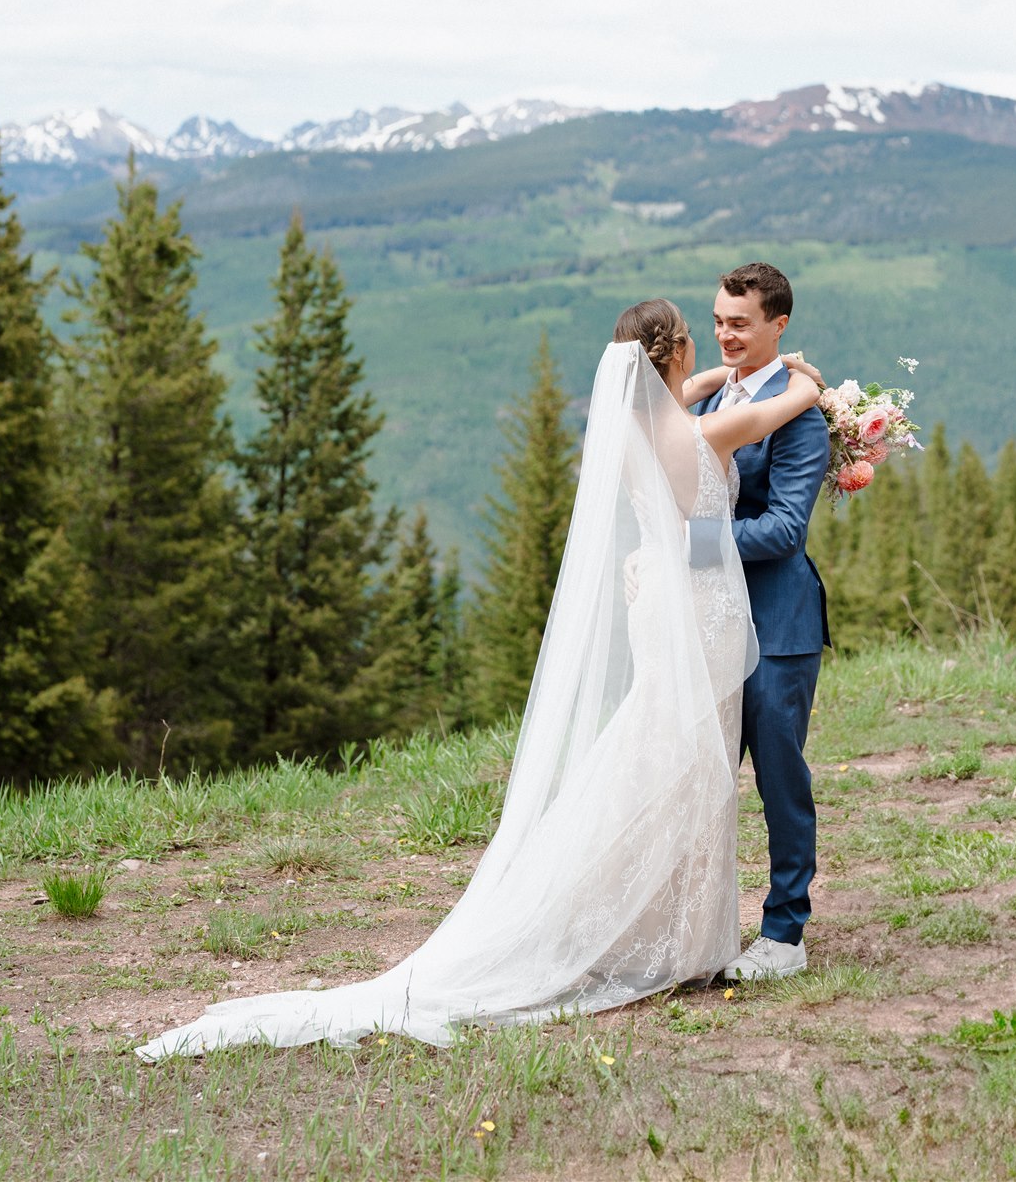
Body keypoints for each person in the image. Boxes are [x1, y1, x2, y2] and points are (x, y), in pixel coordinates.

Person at [136, 299, 821, 1058]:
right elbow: (786, 405)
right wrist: (808, 379)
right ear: (676, 352)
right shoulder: (703, 432)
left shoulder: (632, 424)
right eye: (699, 335)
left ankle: (662, 927)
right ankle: (668, 932)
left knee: (668, 756)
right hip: (698, 613)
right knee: (683, 763)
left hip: (668, 602)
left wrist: (717, 377)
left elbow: (684, 400)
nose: (711, 344)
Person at [688, 261, 831, 981]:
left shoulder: (800, 415)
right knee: (699, 778)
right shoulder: (715, 397)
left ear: (779, 324)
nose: (725, 334)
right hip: (707, 622)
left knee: (779, 779)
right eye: (718, 321)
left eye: (740, 324)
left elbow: (782, 530)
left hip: (777, 621)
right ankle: (696, 929)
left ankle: (783, 934)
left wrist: (687, 544)